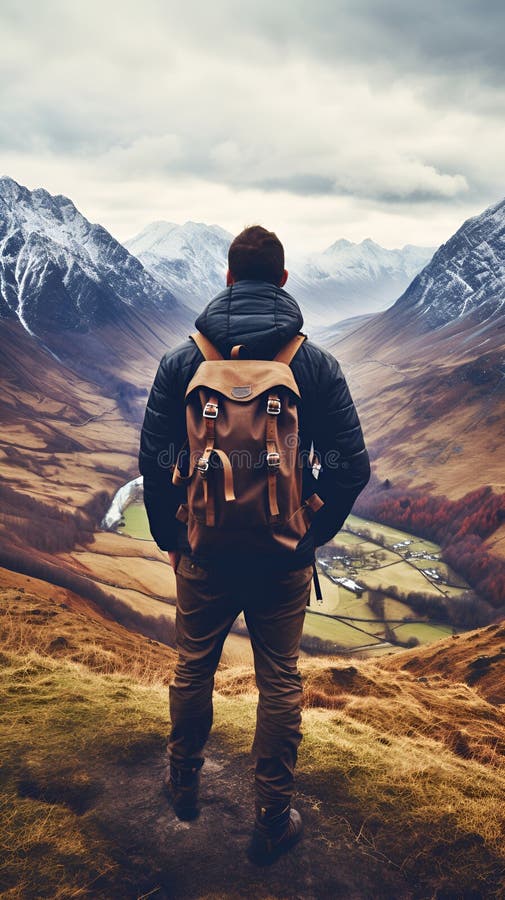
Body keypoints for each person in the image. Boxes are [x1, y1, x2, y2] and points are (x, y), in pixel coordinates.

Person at [138, 225, 370, 864]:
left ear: (229, 279)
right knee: (279, 681)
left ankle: (183, 781)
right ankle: (271, 817)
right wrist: (306, 531)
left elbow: (155, 463)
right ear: (286, 281)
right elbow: (352, 466)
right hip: (283, 559)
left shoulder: (183, 362)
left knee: (193, 666)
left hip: (204, 553)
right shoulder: (315, 365)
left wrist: (172, 537)